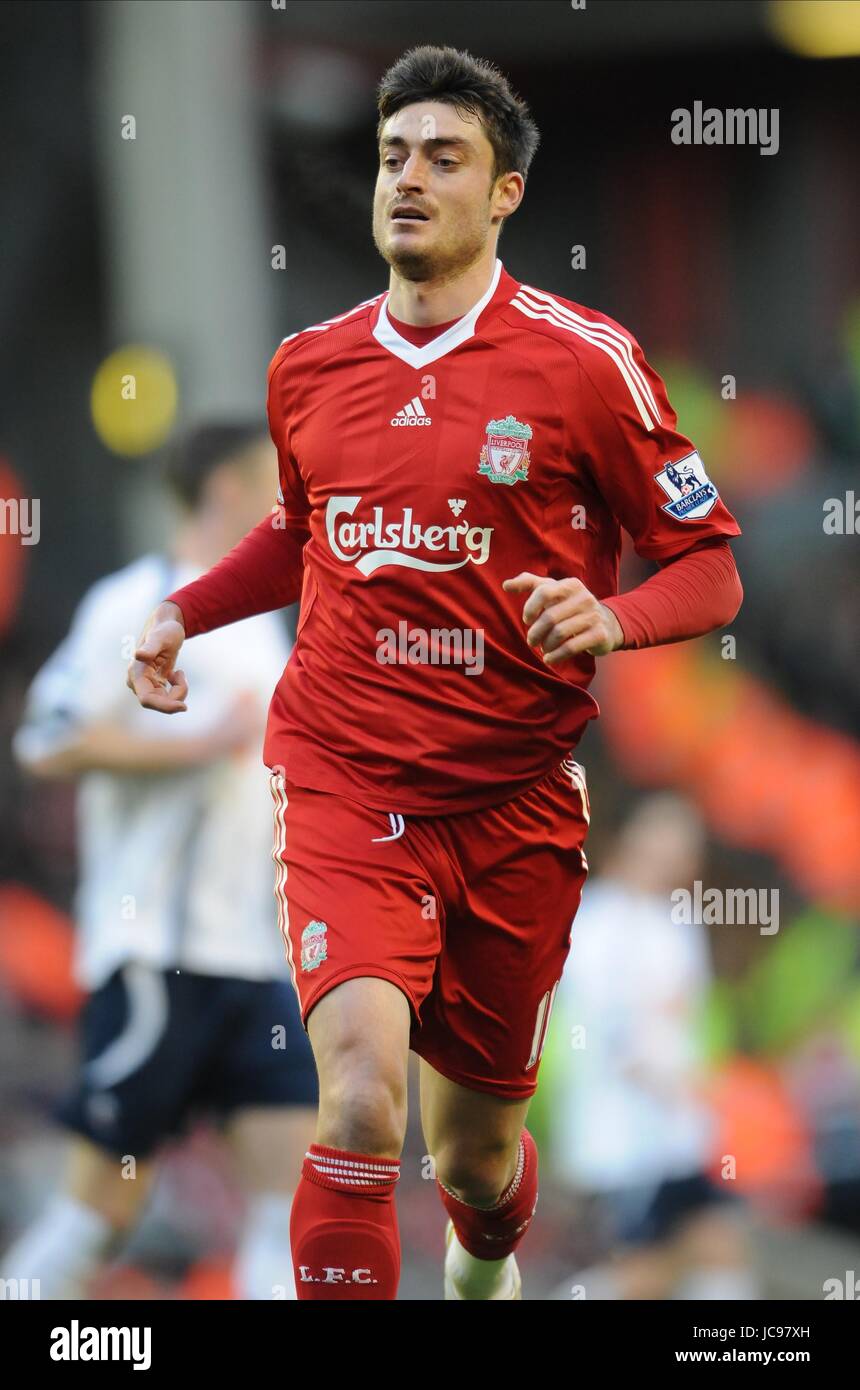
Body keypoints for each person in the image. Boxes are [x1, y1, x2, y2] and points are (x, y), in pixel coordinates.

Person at [126, 47, 743, 1301]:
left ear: (503, 192)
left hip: (510, 804)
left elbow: (708, 566)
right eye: (393, 154)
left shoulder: (584, 364)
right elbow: (303, 535)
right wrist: (181, 612)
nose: (407, 178)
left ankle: (481, 1260)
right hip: (346, 777)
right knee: (358, 1093)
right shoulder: (308, 367)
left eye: (442, 157)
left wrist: (611, 618)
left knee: (475, 1158)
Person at [2, 424, 317, 1299]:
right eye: (274, 480)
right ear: (224, 487)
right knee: (100, 1217)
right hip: (155, 958)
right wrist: (196, 746)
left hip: (250, 961)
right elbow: (46, 740)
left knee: (288, 1203)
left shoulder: (260, 623)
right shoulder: (131, 601)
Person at [546, 794, 759, 1300]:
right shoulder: (595, 922)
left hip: (678, 1136)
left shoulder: (679, 926)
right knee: (645, 1274)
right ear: (631, 837)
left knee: (717, 1247)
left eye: (687, 843)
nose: (674, 852)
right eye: (663, 834)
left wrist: (702, 1094)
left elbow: (684, 1026)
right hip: (621, 1139)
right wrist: (664, 1079)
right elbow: (607, 1030)